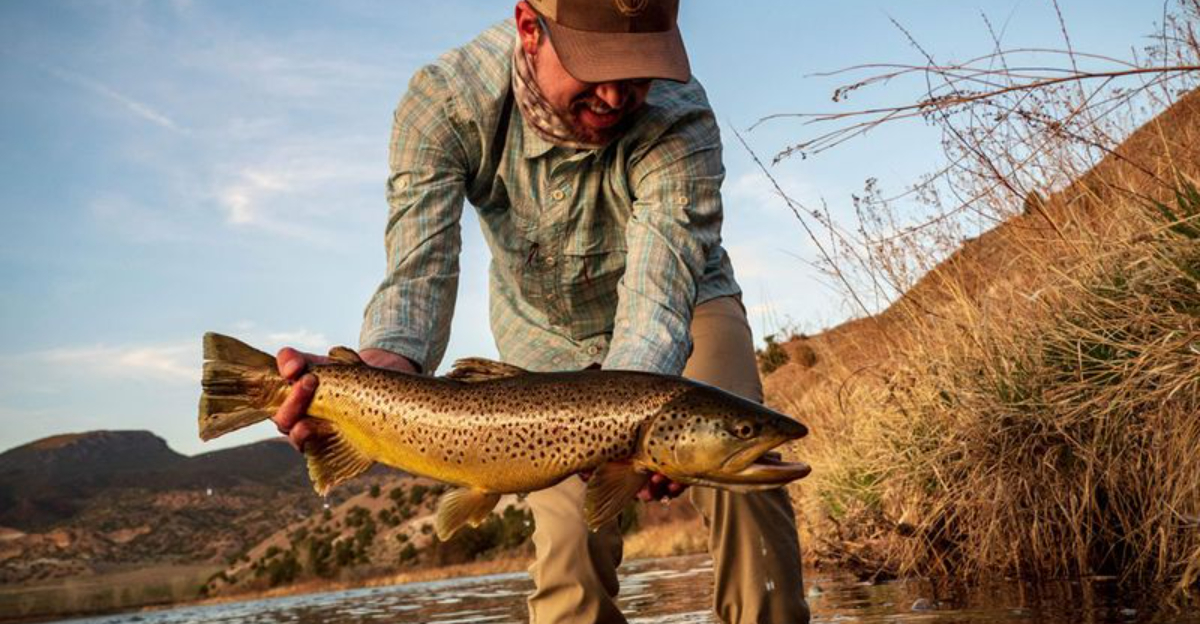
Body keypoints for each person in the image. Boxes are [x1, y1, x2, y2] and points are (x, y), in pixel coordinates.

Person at [271, 1, 810, 622]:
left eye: (639, 69)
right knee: (569, 560)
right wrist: (377, 374)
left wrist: (641, 440)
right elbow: (419, 273)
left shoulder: (680, 116)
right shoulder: (445, 102)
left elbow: (660, 289)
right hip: (541, 338)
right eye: (595, 66)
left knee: (748, 491)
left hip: (684, 309)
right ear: (530, 28)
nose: (616, 94)